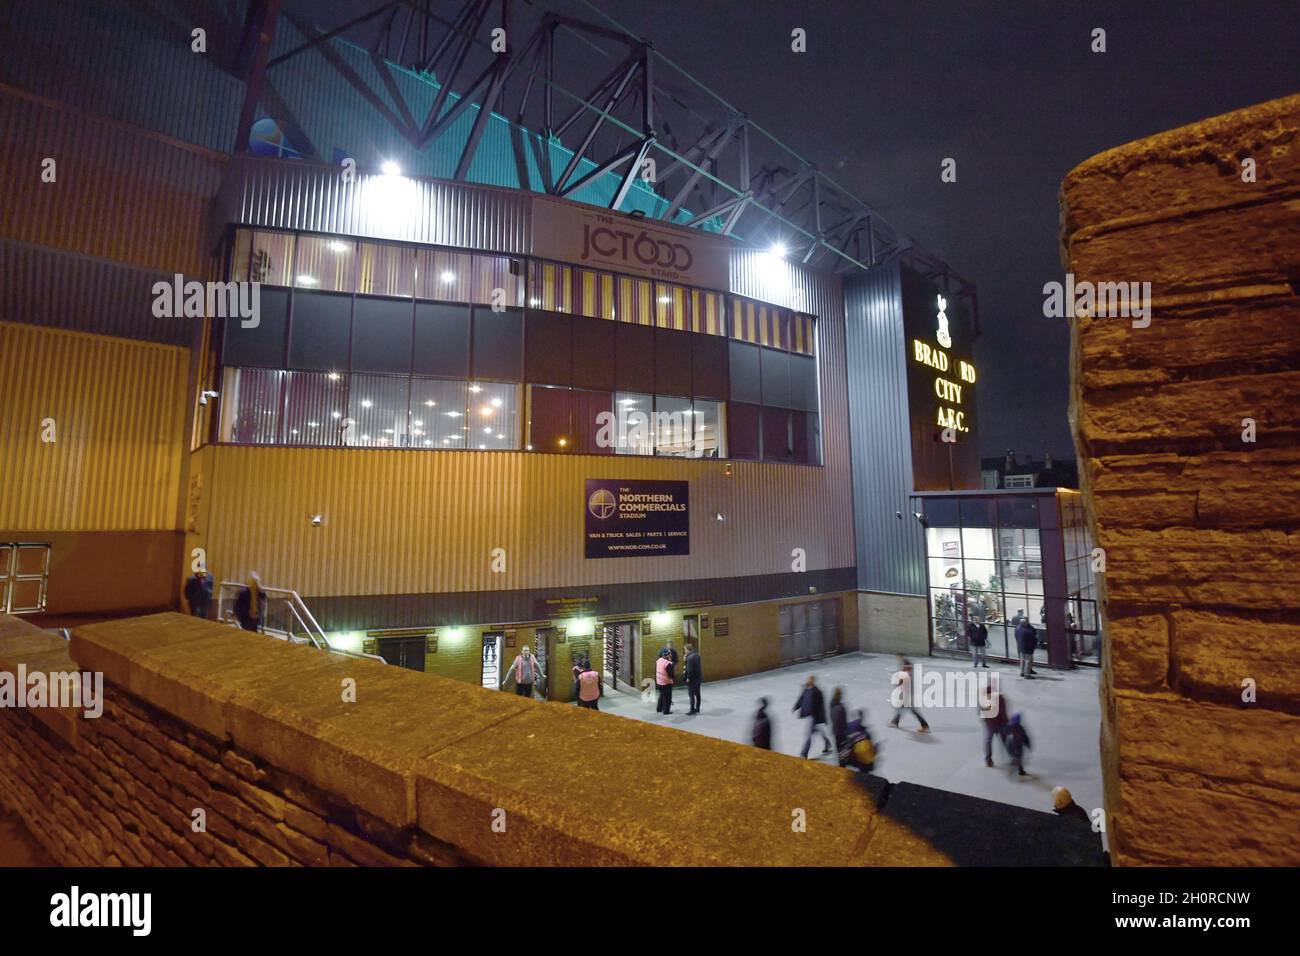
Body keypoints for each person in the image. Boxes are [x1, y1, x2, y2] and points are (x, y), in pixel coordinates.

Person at [888, 655, 931, 732]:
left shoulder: (906, 668)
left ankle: (925, 726)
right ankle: (895, 721)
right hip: (906, 691)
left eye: (899, 657)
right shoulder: (907, 667)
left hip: (906, 692)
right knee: (902, 707)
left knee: (911, 709)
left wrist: (898, 683)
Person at [792, 675, 832, 758]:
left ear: (813, 682)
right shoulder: (806, 689)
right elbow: (801, 698)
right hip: (811, 716)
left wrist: (821, 717)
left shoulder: (818, 692)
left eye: (811, 680)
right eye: (808, 680)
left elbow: (821, 706)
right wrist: (796, 706)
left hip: (814, 716)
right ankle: (827, 743)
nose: (809, 682)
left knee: (808, 735)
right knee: (818, 730)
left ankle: (804, 754)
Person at [979, 687, 1010, 768]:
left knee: (1004, 741)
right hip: (992, 725)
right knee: (989, 740)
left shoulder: (1000, 699)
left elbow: (1003, 712)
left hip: (1000, 724)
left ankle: (1013, 755)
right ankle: (988, 759)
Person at [829, 687, 849, 754]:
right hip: (841, 730)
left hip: (835, 729)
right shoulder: (841, 707)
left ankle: (839, 758)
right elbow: (844, 720)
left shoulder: (832, 704)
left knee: (838, 746)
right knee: (842, 747)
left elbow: (831, 716)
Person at [683, 645, 702, 714]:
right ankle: (697, 709)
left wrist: (688, 678)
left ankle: (692, 710)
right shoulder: (697, 655)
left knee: (691, 695)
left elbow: (689, 669)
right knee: (697, 694)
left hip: (692, 680)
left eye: (685, 650)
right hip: (698, 678)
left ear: (688, 650)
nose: (685, 651)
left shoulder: (689, 658)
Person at [655, 648, 675, 714]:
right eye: (669, 654)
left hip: (659, 682)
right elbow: (671, 674)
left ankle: (659, 709)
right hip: (666, 683)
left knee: (661, 695)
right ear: (665, 654)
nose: (670, 655)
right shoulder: (667, 663)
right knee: (667, 697)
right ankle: (666, 711)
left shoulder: (658, 661)